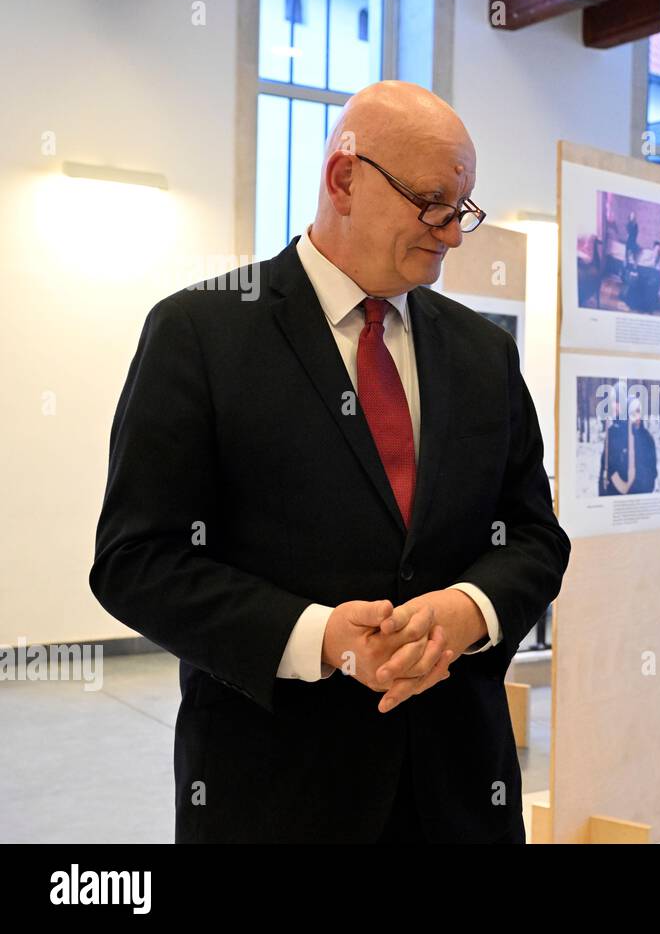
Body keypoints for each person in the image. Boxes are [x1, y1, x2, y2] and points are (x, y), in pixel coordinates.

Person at [89, 81, 571, 843]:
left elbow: (535, 536)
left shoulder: (482, 352)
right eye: (431, 202)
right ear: (343, 178)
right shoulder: (200, 334)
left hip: (460, 789)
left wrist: (468, 611)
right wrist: (319, 636)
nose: (450, 234)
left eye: (462, 209)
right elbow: (136, 561)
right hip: (277, 794)